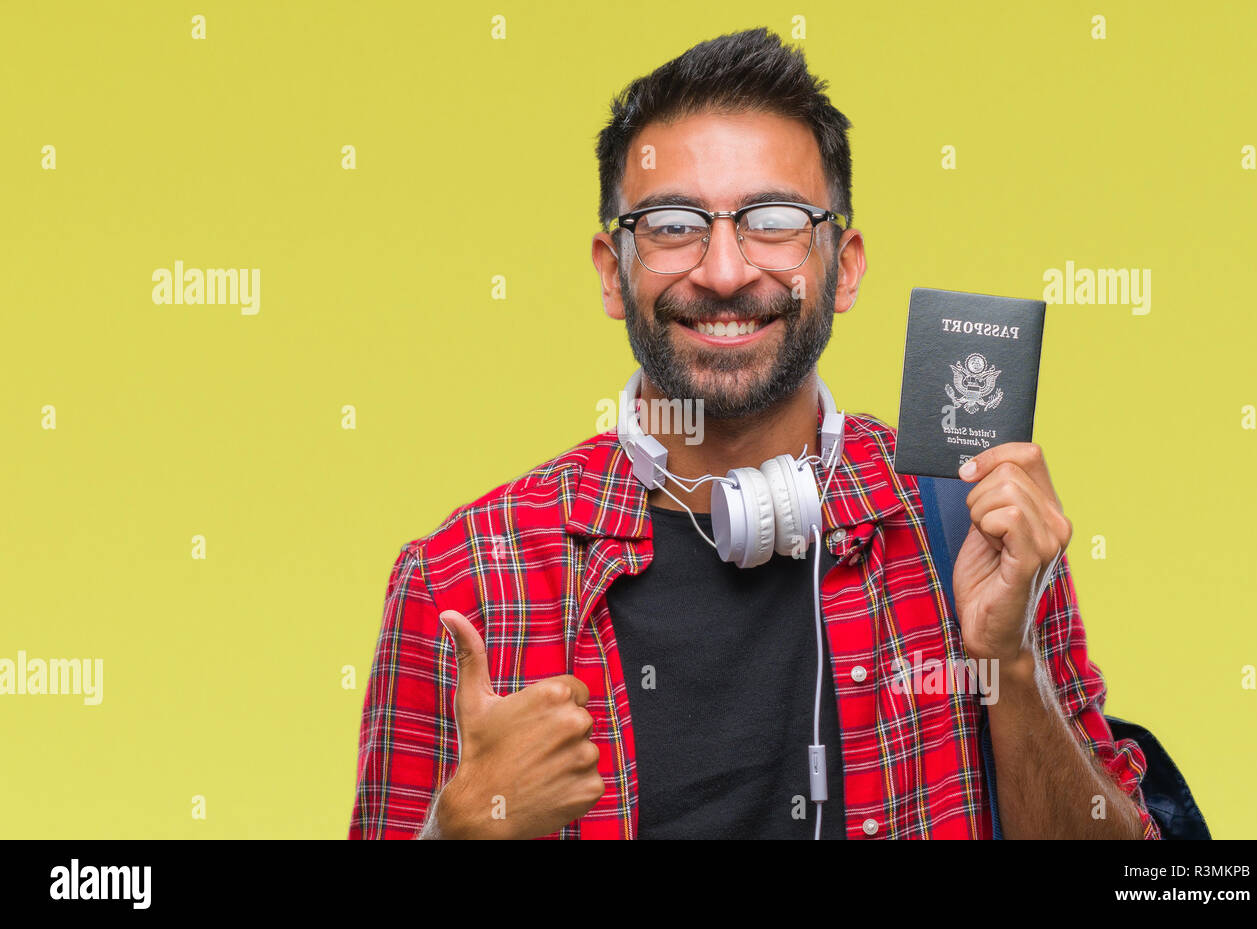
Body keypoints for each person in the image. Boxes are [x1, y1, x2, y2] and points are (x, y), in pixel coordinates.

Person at [348, 27, 1160, 840]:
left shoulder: (972, 519)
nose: (726, 271)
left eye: (773, 220)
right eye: (672, 225)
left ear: (842, 268)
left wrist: (1009, 664)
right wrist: (456, 832)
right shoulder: (462, 581)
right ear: (611, 270)